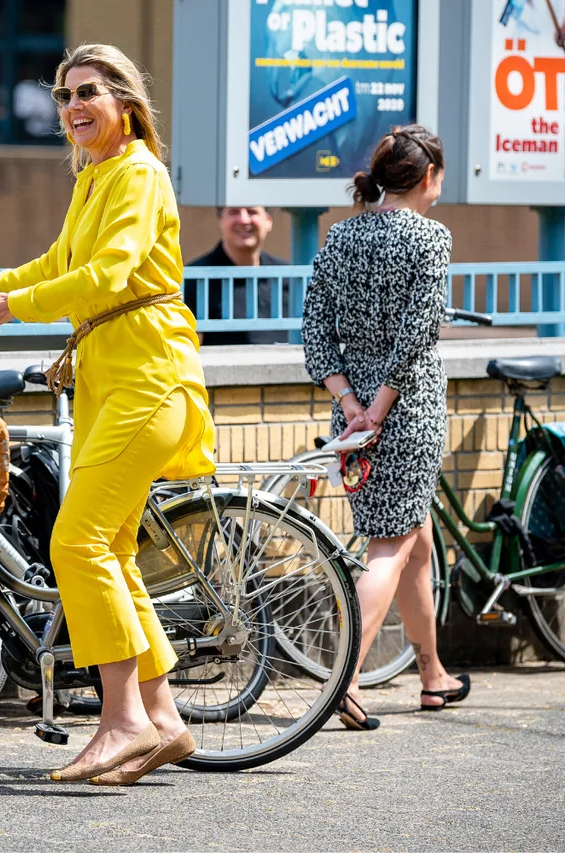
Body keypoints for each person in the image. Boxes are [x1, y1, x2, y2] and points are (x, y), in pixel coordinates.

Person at [0, 43, 214, 785]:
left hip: (149, 379)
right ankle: (164, 721)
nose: (72, 106)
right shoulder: (95, 178)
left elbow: (107, 274)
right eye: (63, 95)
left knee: (77, 541)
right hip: (110, 380)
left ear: (125, 101)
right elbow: (56, 265)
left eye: (88, 91)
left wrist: (10, 306)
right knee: (109, 551)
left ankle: (120, 722)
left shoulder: (140, 173)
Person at [301, 125, 470, 730]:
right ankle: (340, 683)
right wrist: (384, 402)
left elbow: (316, 330)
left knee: (414, 541)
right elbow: (419, 330)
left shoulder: (340, 236)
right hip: (409, 409)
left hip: (353, 415)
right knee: (390, 547)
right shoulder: (431, 238)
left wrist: (351, 402)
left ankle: (432, 675)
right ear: (429, 177)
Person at [183, 206, 288, 346]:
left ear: (268, 221)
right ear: (221, 220)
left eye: (252, 212)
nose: (243, 220)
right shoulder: (194, 282)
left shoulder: (288, 277)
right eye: (234, 212)